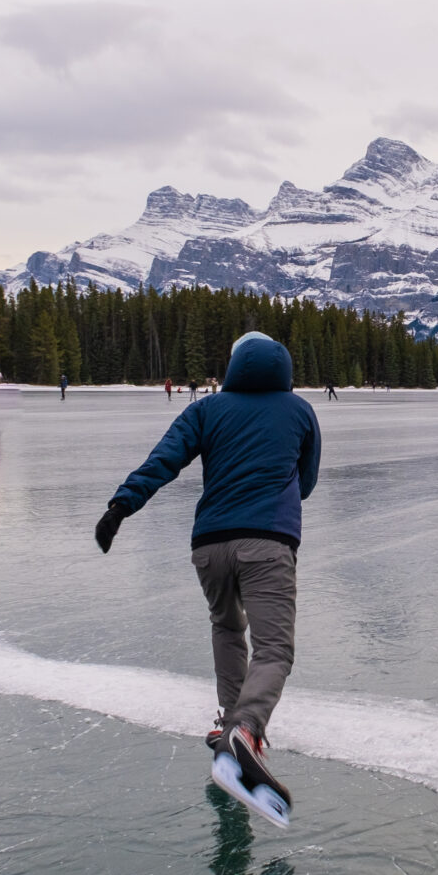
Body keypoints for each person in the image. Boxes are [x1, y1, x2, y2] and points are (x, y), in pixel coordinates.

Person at [96, 332, 321, 825]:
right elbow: (305, 483)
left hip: (210, 546)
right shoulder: (300, 411)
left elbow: (165, 460)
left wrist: (121, 506)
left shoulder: (206, 410)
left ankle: (228, 727)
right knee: (275, 649)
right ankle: (247, 730)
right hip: (267, 543)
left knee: (226, 626)